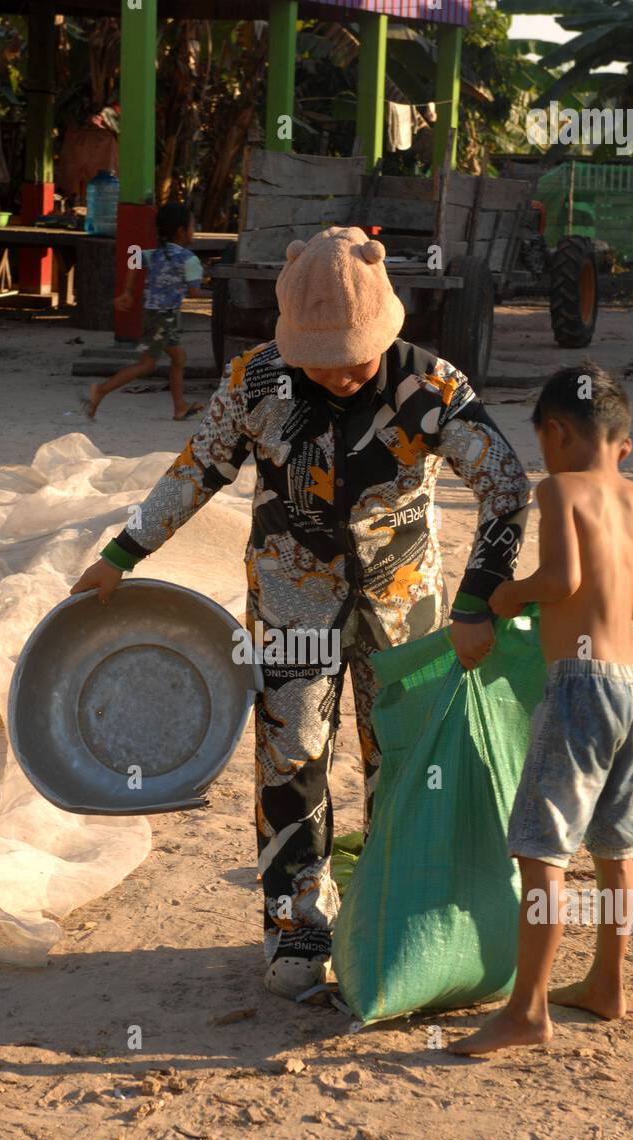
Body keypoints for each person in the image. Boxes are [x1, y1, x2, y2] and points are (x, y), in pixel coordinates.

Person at [71, 225, 531, 1000]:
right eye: (322, 357)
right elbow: (199, 466)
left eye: (353, 357)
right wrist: (122, 554)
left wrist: (477, 599)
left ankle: (391, 919)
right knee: (291, 766)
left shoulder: (432, 386)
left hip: (404, 606)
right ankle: (297, 930)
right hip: (290, 603)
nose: (341, 375)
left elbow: (506, 487)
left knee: (404, 764)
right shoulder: (257, 381)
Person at [451, 363, 633, 1055]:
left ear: (556, 433)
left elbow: (559, 579)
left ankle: (526, 1010)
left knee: (542, 848)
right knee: (615, 848)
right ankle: (605, 984)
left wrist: (507, 597)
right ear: (621, 445)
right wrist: (620, 606)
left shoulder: (558, 490)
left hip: (578, 687)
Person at [86, 202, 205, 422]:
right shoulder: (189, 260)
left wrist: (128, 291)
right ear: (181, 231)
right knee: (147, 364)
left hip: (153, 314)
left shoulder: (157, 254)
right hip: (164, 317)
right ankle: (100, 390)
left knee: (178, 358)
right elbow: (195, 293)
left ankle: (179, 407)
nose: (194, 230)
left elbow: (134, 260)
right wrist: (216, 294)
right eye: (192, 226)